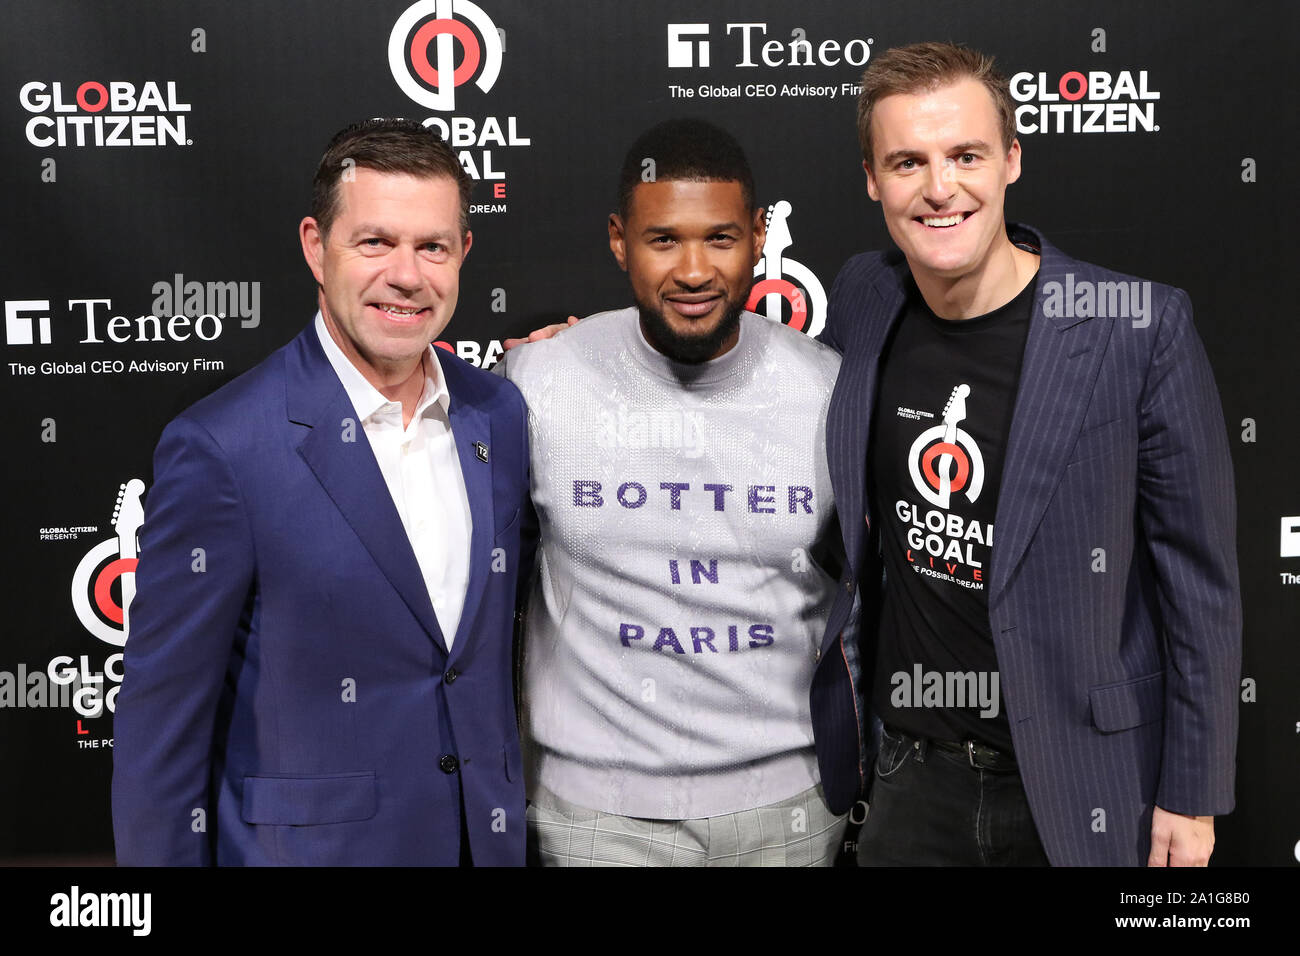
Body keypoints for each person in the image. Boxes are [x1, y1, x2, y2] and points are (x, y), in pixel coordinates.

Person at [818, 42, 1240, 866]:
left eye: (966, 155)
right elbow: (769, 376)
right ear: (873, 180)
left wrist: (1191, 794)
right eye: (908, 162)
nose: (940, 188)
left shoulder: (1135, 327)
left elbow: (1200, 584)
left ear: (1011, 159)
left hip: (1085, 785)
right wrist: (593, 347)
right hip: (909, 781)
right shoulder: (866, 294)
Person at [111, 119, 532, 866]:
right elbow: (160, 730)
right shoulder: (223, 446)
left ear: (464, 252)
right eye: (375, 242)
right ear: (316, 246)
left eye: (432, 247)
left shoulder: (498, 412)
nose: (407, 275)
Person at [497, 118, 858, 866]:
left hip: (787, 815)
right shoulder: (537, 381)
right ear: (619, 240)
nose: (694, 271)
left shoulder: (830, 390)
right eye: (663, 240)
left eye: (720, 239)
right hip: (593, 820)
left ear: (759, 237)